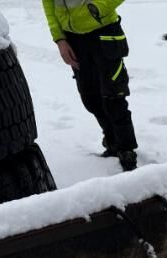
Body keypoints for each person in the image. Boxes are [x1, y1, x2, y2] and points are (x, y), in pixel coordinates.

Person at [43, 1, 139, 171]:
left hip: (104, 33)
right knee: (91, 99)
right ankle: (112, 142)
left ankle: (126, 150)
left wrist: (97, 8)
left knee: (114, 95)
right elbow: (49, 6)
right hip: (73, 40)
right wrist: (59, 39)